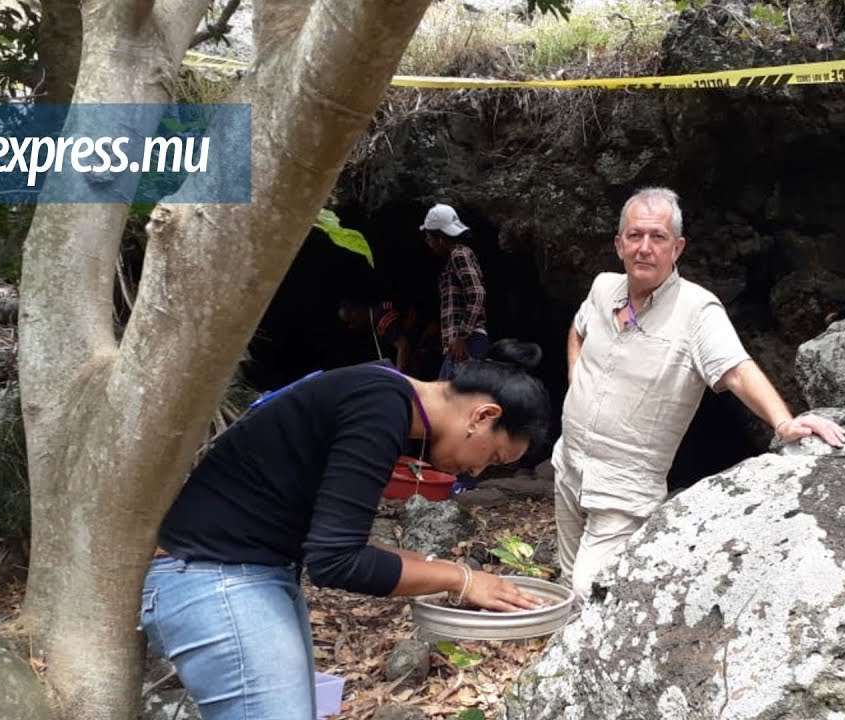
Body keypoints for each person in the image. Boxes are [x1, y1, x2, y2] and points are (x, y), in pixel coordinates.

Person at [140, 340, 549, 720]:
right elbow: (336, 561)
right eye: (493, 458)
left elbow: (339, 542)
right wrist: (460, 579)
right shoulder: (379, 406)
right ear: (483, 416)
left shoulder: (381, 391)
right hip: (211, 574)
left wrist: (444, 572)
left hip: (245, 569)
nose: (477, 471)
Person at [555, 187, 845, 602]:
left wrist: (784, 422)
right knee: (567, 580)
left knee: (589, 589)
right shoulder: (604, 288)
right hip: (569, 464)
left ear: (677, 248)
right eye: (635, 236)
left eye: (657, 237)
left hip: (624, 489)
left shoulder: (697, 310)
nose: (644, 248)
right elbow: (578, 328)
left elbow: (737, 371)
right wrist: (576, 382)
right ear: (619, 244)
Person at [420, 203, 490, 379]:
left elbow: (477, 294)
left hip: (468, 341)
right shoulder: (455, 258)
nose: (428, 242)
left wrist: (461, 337)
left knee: (449, 392)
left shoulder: (459, 254)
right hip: (460, 344)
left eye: (429, 237)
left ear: (440, 238)